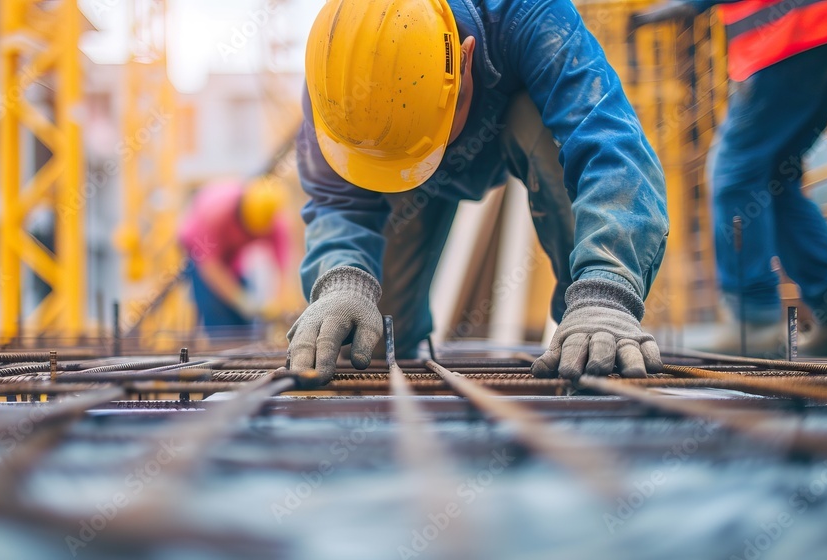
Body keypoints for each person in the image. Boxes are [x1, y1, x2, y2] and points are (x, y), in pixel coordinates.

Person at [286, 0, 670, 384]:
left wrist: (607, 292)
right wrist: (342, 280)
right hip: (399, 184)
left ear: (465, 58)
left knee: (596, 327)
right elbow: (336, 202)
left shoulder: (532, 16)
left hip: (517, 126)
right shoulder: (337, 76)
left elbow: (612, 151)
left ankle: (592, 320)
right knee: (367, 341)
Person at [633, 0, 827, 357]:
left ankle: (753, 319)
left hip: (790, 30)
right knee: (776, 181)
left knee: (735, 175)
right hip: (826, 21)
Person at [178, 178, 289, 332]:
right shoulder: (215, 213)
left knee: (243, 319)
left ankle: (244, 345)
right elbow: (211, 267)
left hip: (231, 254)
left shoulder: (272, 221)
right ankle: (221, 348)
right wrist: (240, 299)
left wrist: (276, 305)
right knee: (215, 309)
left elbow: (282, 267)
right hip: (199, 251)